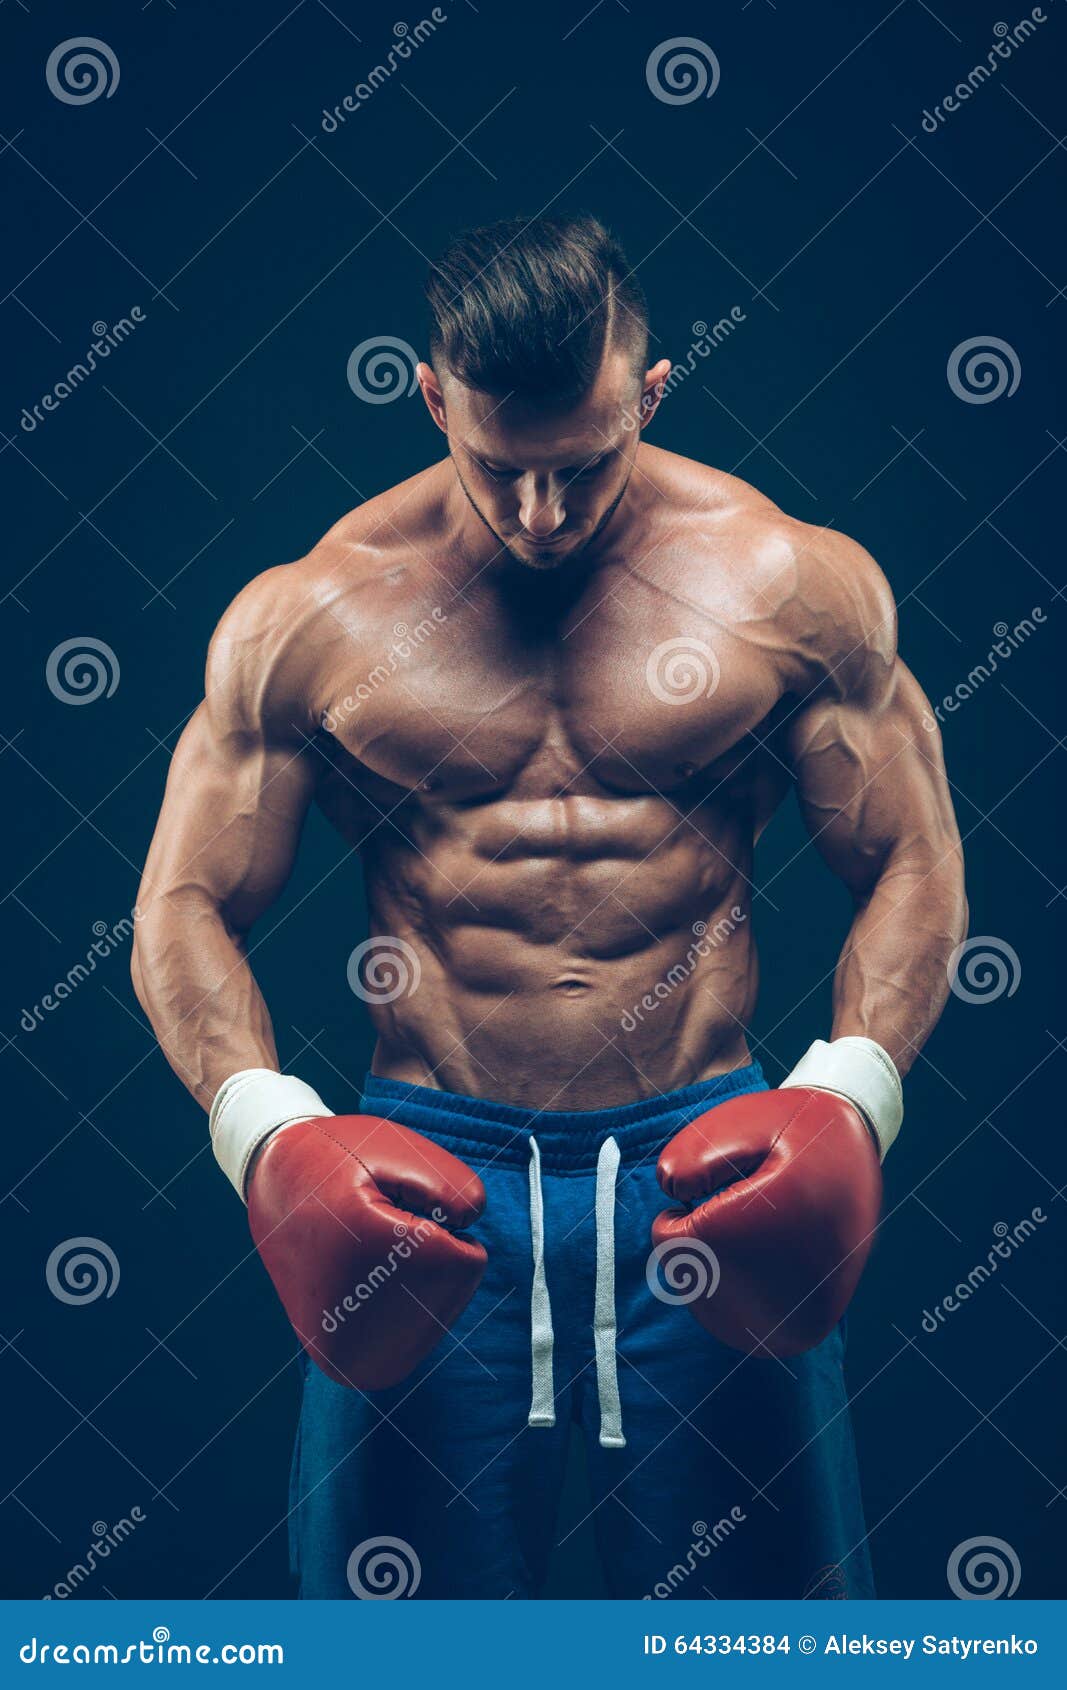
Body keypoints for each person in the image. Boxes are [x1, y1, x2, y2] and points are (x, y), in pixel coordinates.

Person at [131, 213, 967, 1600]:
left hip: (716, 1163)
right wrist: (271, 1137)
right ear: (432, 398)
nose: (540, 514)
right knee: (396, 1649)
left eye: (584, 466)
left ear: (650, 394)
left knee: (771, 1640)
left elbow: (915, 859)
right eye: (498, 468)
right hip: (423, 1178)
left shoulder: (786, 584)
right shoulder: (316, 616)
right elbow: (179, 905)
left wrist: (853, 1093)